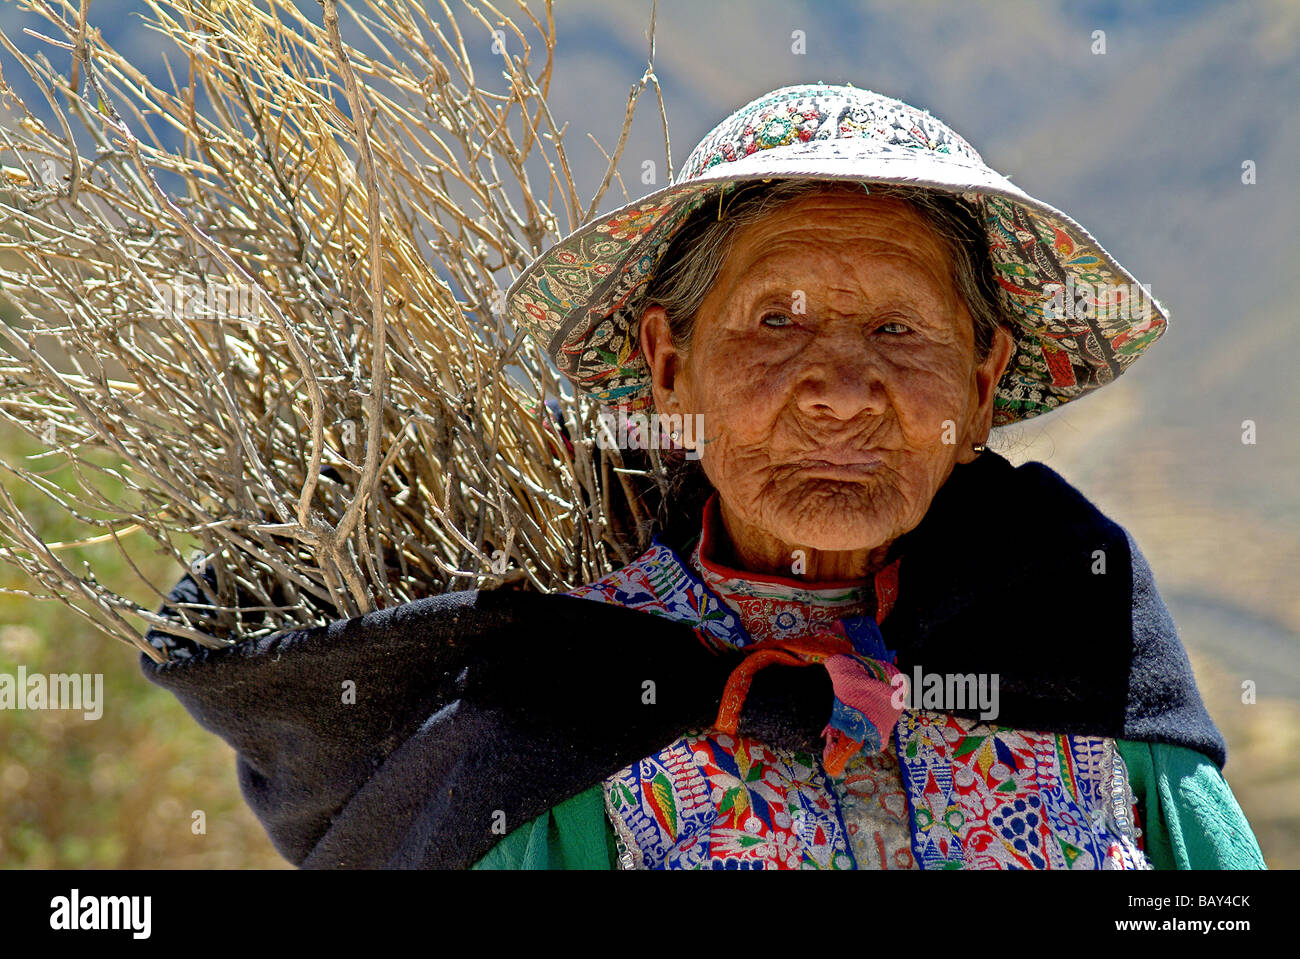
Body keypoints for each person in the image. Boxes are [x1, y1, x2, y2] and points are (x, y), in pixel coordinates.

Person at [144, 83, 1265, 870]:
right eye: (774, 320)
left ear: (980, 386)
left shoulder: (1076, 630)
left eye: (897, 328)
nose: (841, 388)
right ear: (670, 364)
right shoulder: (563, 701)